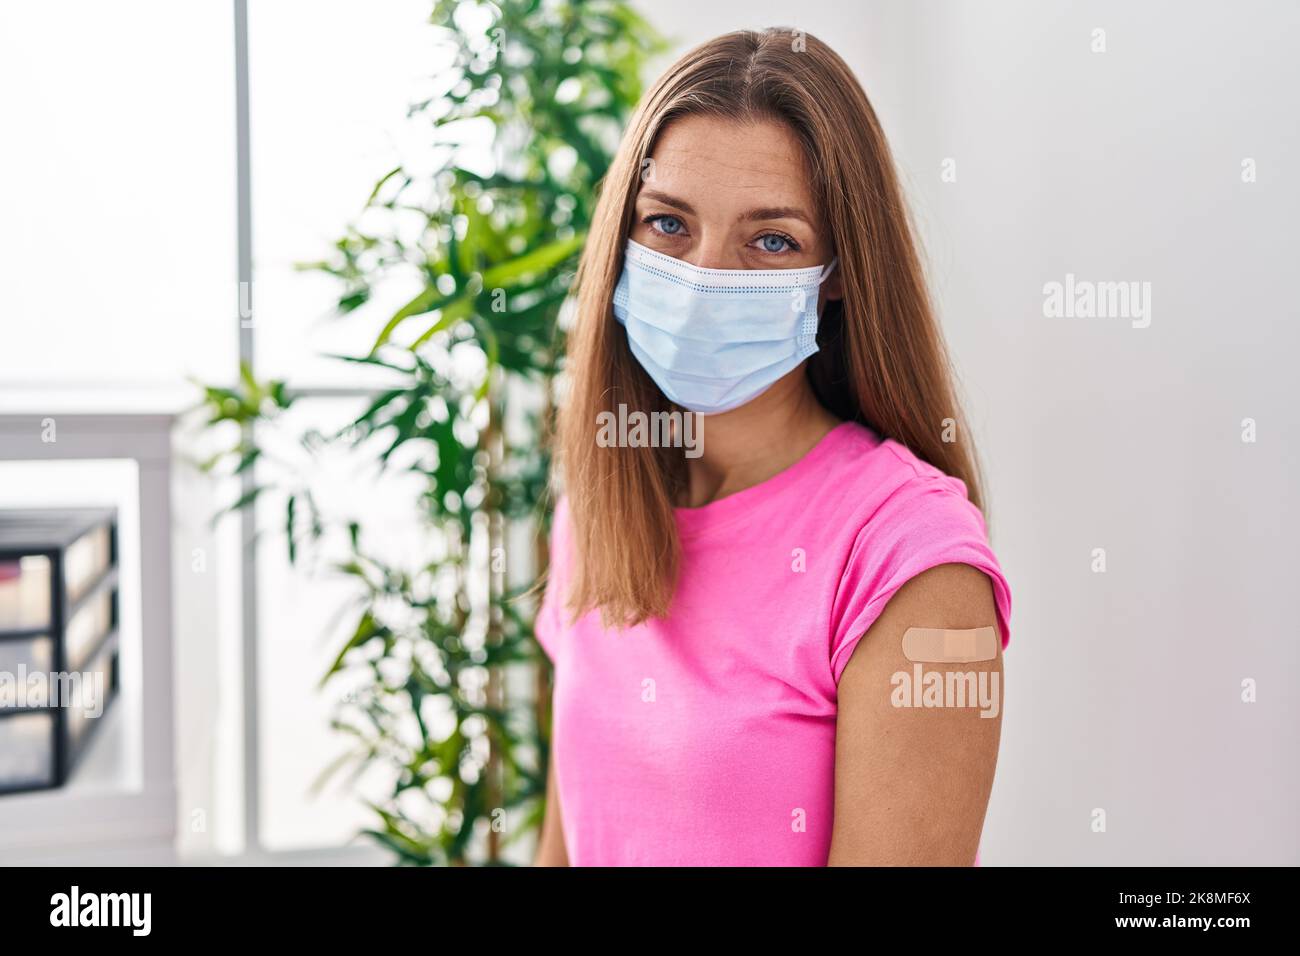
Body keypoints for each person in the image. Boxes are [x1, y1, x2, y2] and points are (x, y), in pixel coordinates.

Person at [533, 27, 1011, 866]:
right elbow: (565, 845)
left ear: (835, 272)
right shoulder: (595, 511)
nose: (704, 278)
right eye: (668, 223)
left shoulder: (912, 559)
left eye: (772, 240)